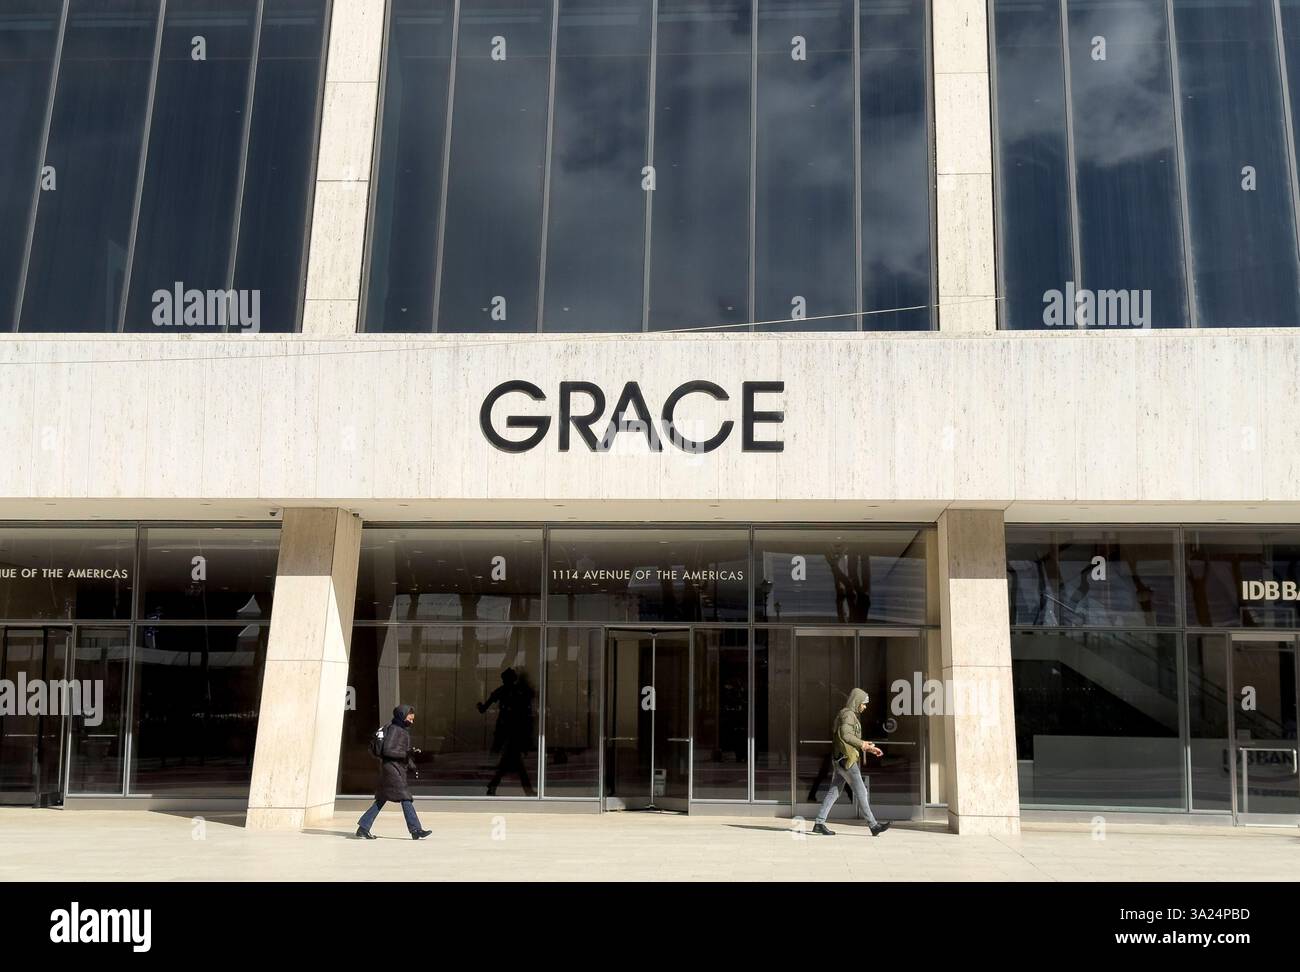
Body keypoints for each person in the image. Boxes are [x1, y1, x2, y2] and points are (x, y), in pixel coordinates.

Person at [811, 688, 890, 837]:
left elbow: (849, 738)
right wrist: (863, 745)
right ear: (857, 701)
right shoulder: (848, 715)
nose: (865, 706)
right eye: (864, 703)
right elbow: (846, 735)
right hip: (847, 760)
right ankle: (873, 825)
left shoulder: (849, 714)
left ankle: (819, 823)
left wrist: (867, 746)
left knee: (834, 792)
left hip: (841, 759)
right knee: (861, 791)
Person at [356, 704, 432, 840]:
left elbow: (402, 753)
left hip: (394, 769)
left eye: (413, 719)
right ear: (402, 716)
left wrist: (412, 764)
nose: (412, 722)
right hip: (392, 770)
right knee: (405, 797)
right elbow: (387, 751)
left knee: (381, 800)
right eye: (410, 718)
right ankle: (416, 829)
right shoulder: (395, 730)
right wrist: (406, 753)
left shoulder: (400, 730)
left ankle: (363, 828)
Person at [477, 668, 536, 797]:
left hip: (507, 731)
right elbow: (524, 713)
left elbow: (484, 707)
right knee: (515, 764)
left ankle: (493, 786)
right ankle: (526, 790)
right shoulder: (517, 692)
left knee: (510, 763)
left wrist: (480, 706)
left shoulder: (504, 691)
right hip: (512, 732)